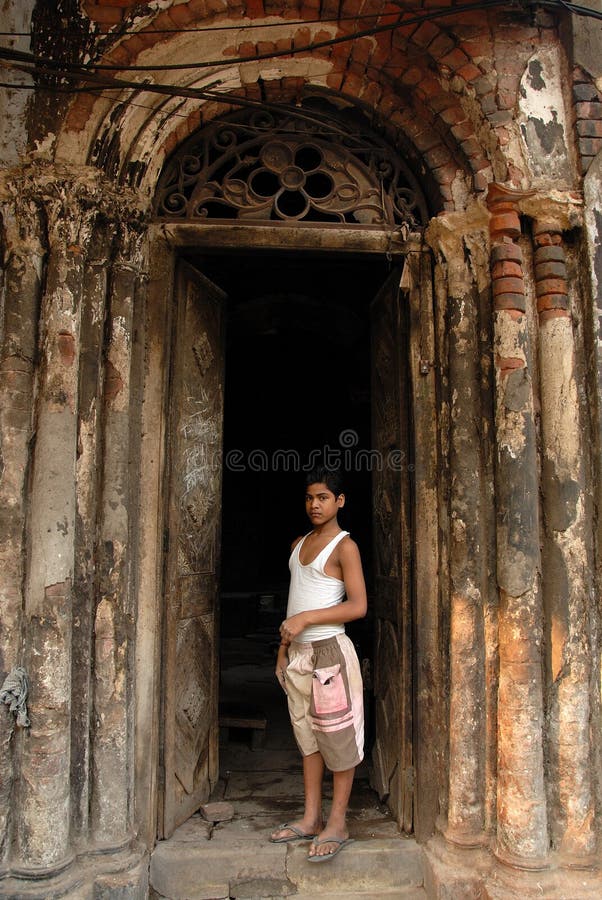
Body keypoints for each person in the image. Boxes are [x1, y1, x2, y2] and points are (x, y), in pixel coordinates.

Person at [269, 466, 367, 862]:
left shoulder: (345, 546)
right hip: (298, 655)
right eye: (310, 497)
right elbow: (296, 604)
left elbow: (358, 606)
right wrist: (283, 650)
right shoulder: (298, 544)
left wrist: (307, 620)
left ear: (340, 501)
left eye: (324, 497)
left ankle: (337, 822)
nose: (315, 504)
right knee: (308, 740)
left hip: (329, 654)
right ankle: (311, 818)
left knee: (338, 740)